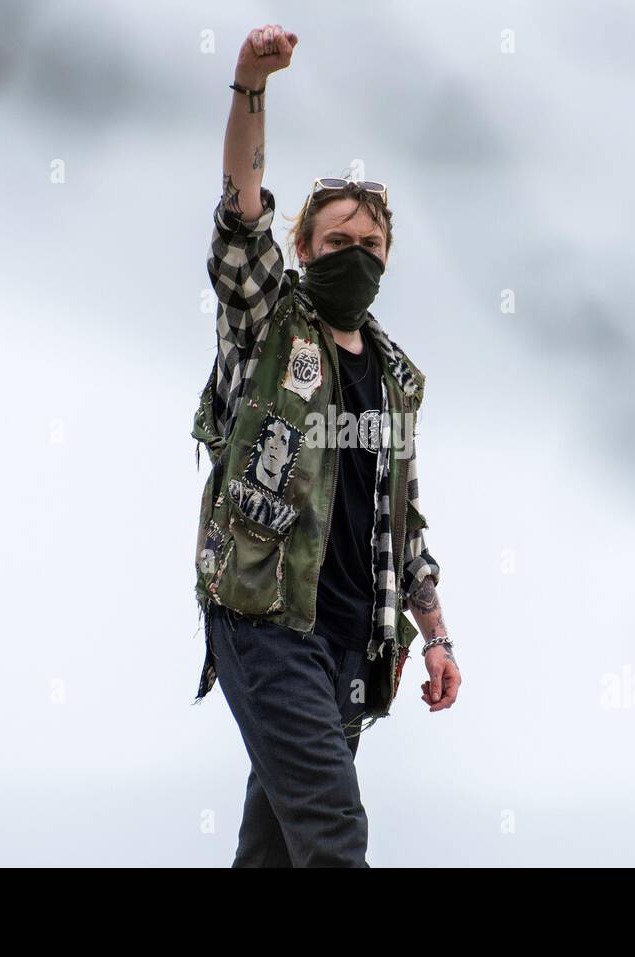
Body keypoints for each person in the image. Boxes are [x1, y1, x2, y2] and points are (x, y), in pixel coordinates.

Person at [189, 23, 462, 868]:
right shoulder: (269, 322)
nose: (355, 256)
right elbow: (242, 209)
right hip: (266, 623)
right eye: (336, 242)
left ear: (389, 258)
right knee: (336, 843)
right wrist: (249, 83)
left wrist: (439, 634)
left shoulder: (393, 375)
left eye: (370, 245)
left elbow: (400, 519)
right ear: (304, 247)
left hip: (354, 644)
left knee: (273, 854)